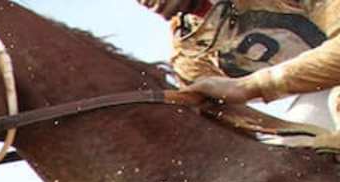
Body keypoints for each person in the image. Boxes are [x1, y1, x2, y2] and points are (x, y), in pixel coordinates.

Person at [138, 0, 340, 128]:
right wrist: (290, 131)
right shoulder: (189, 55)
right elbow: (223, 119)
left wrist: (250, 86)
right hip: (317, 97)